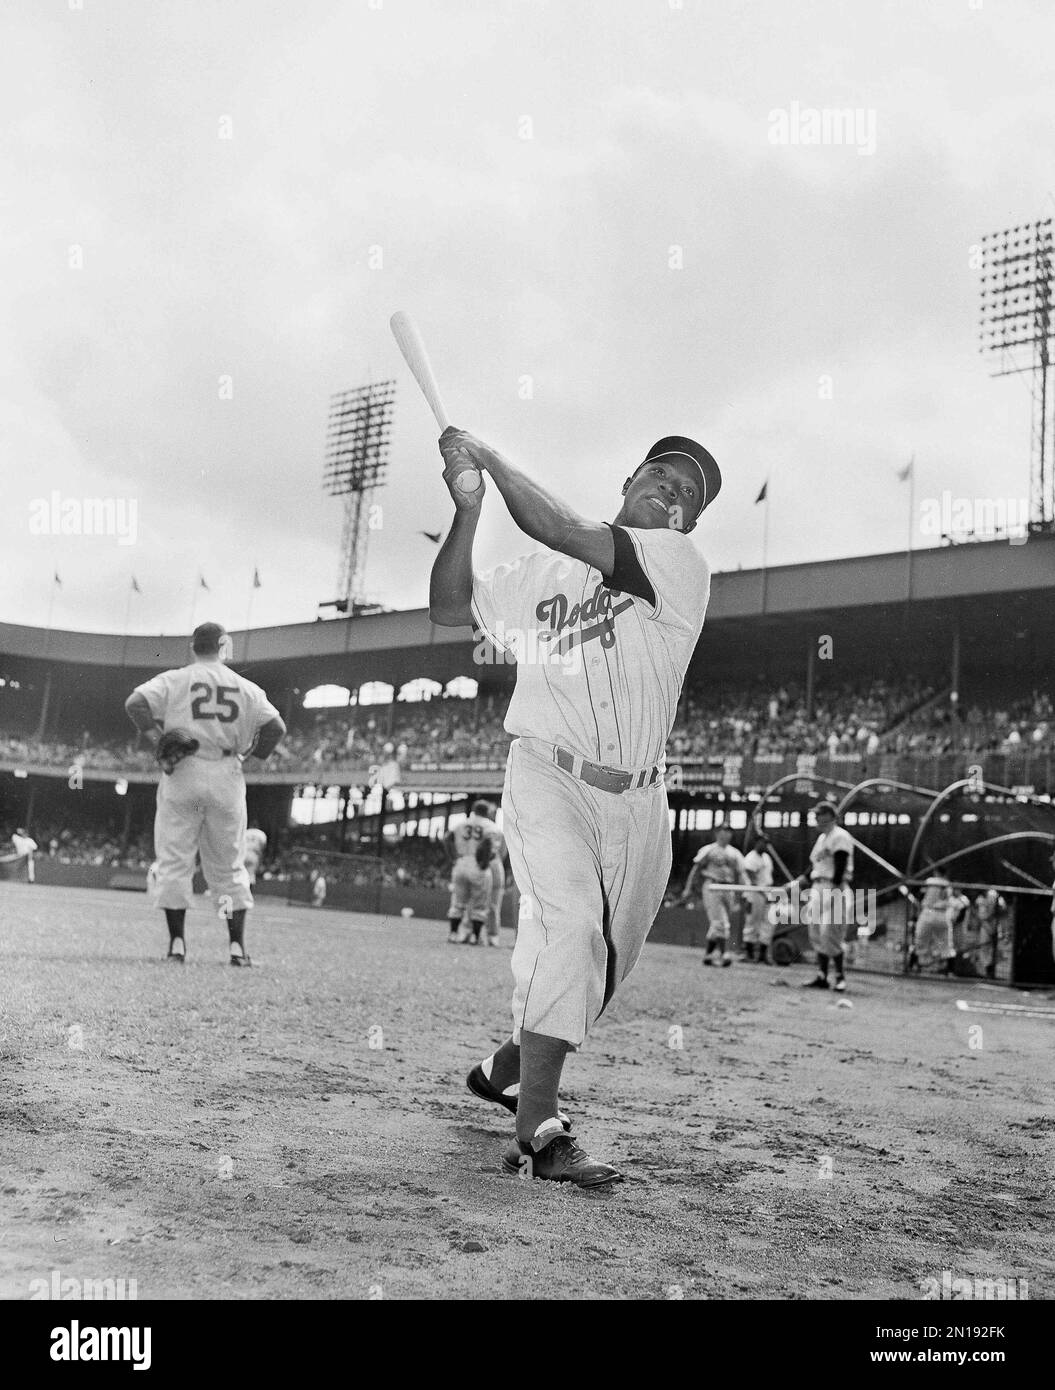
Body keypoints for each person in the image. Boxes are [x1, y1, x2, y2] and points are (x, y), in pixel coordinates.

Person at [430, 425, 720, 1186]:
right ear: (631, 477)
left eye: (688, 494)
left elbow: (556, 520)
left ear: (689, 523)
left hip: (639, 799)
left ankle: (503, 1068)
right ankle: (541, 1128)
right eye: (663, 475)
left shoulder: (675, 563)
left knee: (601, 968)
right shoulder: (539, 574)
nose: (672, 492)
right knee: (572, 932)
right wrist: (466, 511)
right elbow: (448, 605)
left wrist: (488, 458)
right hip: (546, 772)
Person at [124, 621, 286, 966]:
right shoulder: (245, 686)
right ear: (224, 646)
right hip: (227, 772)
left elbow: (135, 703)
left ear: (192, 646)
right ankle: (236, 948)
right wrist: (253, 756)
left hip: (183, 769)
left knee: (175, 862)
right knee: (227, 867)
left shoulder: (176, 679)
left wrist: (158, 740)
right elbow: (276, 727)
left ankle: (178, 945)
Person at [801, 800, 854, 992]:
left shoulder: (840, 836)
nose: (817, 817)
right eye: (816, 814)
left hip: (835, 887)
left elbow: (840, 865)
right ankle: (822, 976)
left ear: (831, 817)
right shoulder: (822, 838)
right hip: (818, 887)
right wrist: (799, 881)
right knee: (815, 932)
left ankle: (840, 977)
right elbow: (814, 866)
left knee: (829, 932)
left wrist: (834, 891)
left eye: (820, 814)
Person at [679, 824, 749, 966]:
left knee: (717, 923)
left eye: (729, 832)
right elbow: (696, 869)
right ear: (717, 833)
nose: (726, 834)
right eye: (723, 831)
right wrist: (688, 888)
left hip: (728, 888)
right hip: (712, 886)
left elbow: (742, 873)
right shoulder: (708, 849)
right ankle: (724, 954)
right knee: (720, 922)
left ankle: (709, 955)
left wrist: (747, 890)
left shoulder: (734, 852)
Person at [444, 799, 501, 944]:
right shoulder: (491, 826)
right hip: (478, 864)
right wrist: (484, 863)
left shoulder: (461, 824)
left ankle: (453, 934)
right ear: (487, 812)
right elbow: (490, 846)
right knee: (479, 904)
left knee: (457, 902)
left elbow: (447, 838)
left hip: (461, 862)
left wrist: (453, 858)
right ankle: (475, 936)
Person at [742, 833, 776, 963]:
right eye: (763, 842)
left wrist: (769, 894)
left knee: (768, 922)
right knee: (752, 922)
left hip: (767, 890)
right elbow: (751, 878)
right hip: (754, 893)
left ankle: (762, 955)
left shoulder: (767, 857)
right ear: (757, 842)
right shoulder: (751, 858)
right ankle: (749, 954)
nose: (765, 845)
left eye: (767, 842)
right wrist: (764, 894)